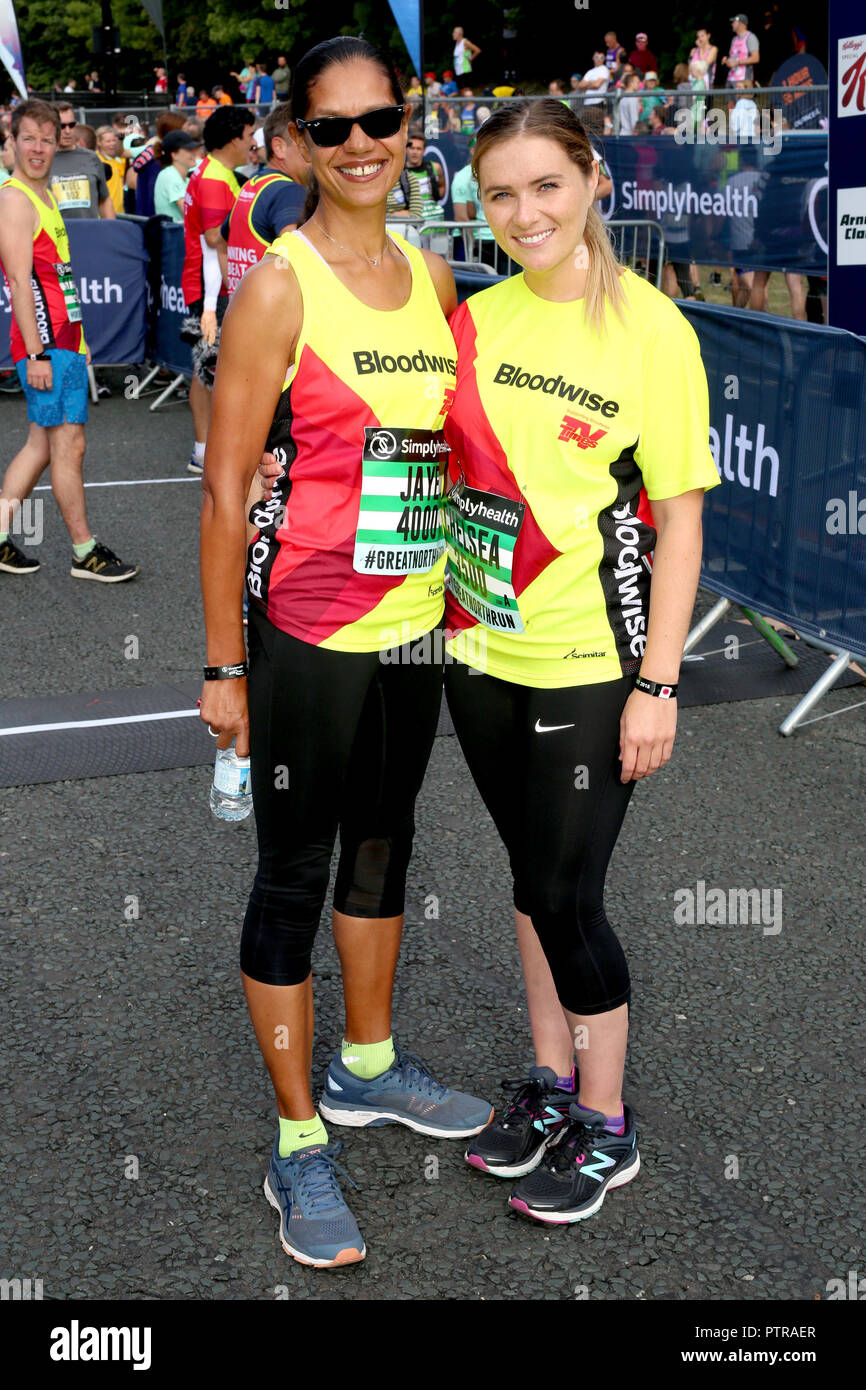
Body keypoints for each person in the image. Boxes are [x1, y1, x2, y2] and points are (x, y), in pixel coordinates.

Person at [201, 35, 492, 1270]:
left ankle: (366, 1066)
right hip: (309, 629)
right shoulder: (280, 287)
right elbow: (225, 488)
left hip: (412, 622)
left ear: (410, 127)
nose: (361, 144)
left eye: (380, 120)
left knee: (384, 843)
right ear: (295, 142)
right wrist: (224, 666)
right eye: (332, 127)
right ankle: (295, 1138)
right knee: (290, 874)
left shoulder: (433, 275)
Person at [439, 98, 720, 1220]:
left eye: (545, 185)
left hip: (591, 658)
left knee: (566, 891)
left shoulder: (653, 329)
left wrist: (658, 683)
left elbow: (681, 522)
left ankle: (605, 1123)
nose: (524, 214)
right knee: (527, 875)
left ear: (593, 178)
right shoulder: (476, 315)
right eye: (500, 193)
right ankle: (552, 1080)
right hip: (475, 647)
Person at [0, 101, 137, 582]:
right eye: (29, 138)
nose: (38, 148)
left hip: (63, 342)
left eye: (46, 138)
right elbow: (20, 282)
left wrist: (78, 341)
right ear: (12, 141)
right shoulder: (15, 200)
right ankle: (84, 552)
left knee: (41, 445)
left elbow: (55, 276)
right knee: (68, 446)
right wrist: (38, 353)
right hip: (47, 346)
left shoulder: (42, 194)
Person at [180, 103, 255, 475]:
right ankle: (205, 450)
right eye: (249, 135)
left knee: (207, 368)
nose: (253, 142)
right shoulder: (213, 178)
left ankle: (205, 449)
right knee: (209, 369)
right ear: (233, 138)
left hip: (212, 283)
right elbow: (214, 238)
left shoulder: (217, 172)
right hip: (212, 286)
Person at [218, 103, 308, 295]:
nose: (315, 153)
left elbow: (221, 245)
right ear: (279, 147)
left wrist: (236, 294)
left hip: (246, 306)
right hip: (275, 310)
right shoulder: (289, 192)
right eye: (305, 145)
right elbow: (297, 256)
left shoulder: (253, 184)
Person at [49, 104, 115, 220]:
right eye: (62, 126)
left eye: (71, 125)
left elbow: (104, 200)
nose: (67, 131)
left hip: (90, 229)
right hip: (57, 230)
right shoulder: (44, 159)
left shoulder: (92, 157)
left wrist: (111, 229)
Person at [129, 111, 186, 217]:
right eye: (184, 131)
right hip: (155, 222)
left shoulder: (158, 155)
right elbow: (153, 199)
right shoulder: (157, 162)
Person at [153, 129, 202, 221]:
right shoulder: (170, 175)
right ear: (174, 155)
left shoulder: (185, 179)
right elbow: (189, 213)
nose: (194, 153)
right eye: (188, 149)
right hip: (173, 230)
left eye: (193, 149)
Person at [577, 51, 611, 133]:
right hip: (587, 104)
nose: (599, 59)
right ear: (593, 58)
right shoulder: (590, 71)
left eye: (601, 57)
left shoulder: (604, 69)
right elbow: (580, 85)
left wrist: (587, 84)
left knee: (597, 131)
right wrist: (592, 83)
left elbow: (597, 85)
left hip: (598, 104)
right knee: (585, 131)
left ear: (604, 59)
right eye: (597, 57)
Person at [95, 124, 125, 214]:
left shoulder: (117, 159)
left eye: (114, 140)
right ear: (99, 142)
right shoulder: (96, 161)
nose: (112, 144)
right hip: (106, 214)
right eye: (108, 141)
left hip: (121, 213)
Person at [722, 15, 760, 85]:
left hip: (744, 80)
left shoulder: (751, 37)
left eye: (734, 22)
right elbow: (733, 57)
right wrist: (727, 61)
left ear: (741, 24)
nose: (732, 24)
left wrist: (738, 62)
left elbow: (756, 58)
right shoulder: (734, 39)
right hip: (731, 78)